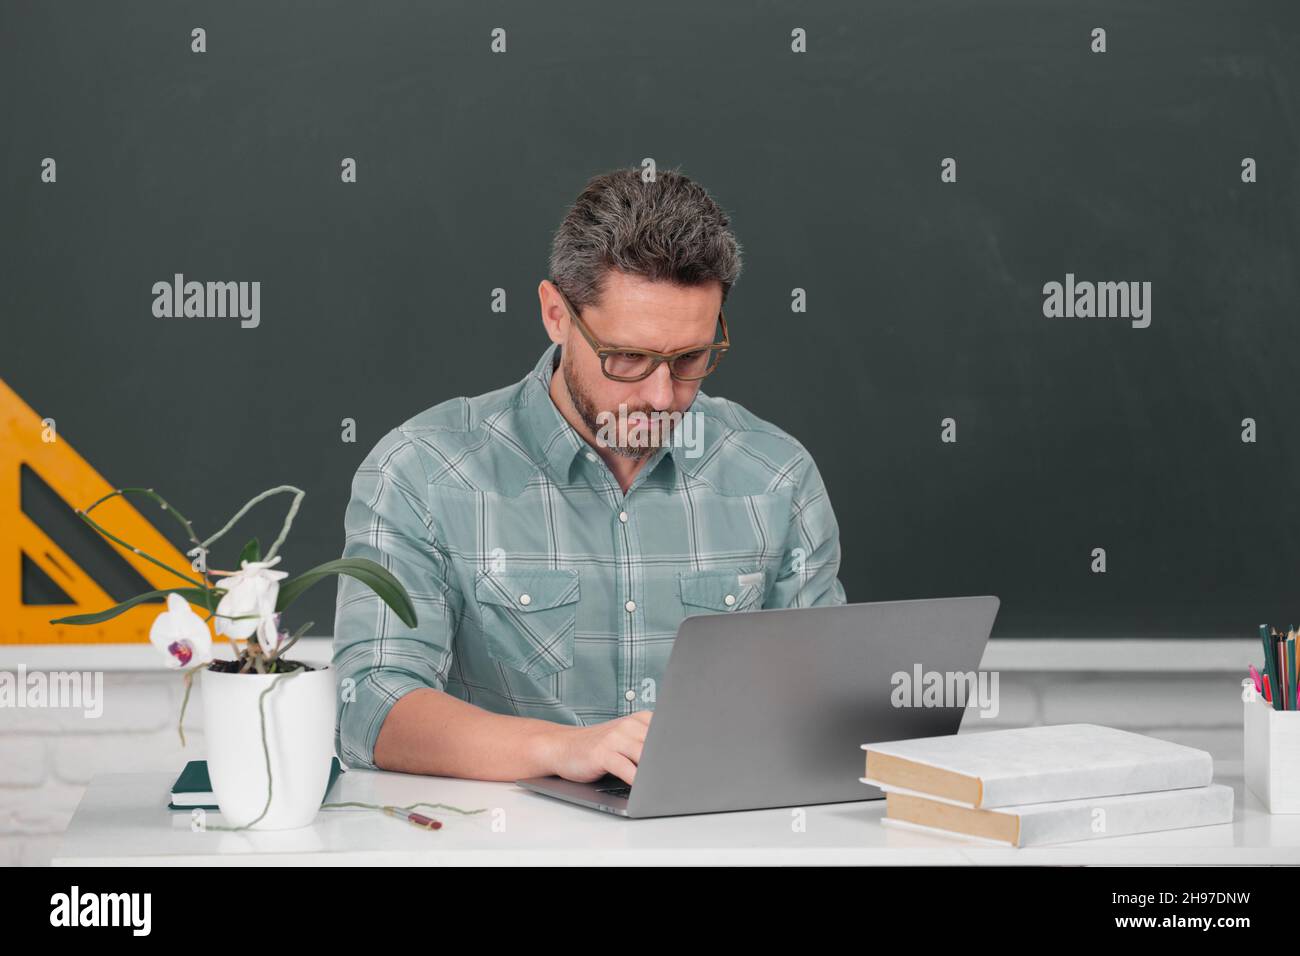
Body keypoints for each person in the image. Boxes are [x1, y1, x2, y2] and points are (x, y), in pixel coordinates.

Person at [333, 167, 847, 785]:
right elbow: (371, 706)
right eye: (627, 357)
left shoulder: (776, 475)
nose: (662, 397)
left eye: (690, 359)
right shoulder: (421, 471)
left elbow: (823, 700)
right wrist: (561, 749)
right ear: (556, 314)